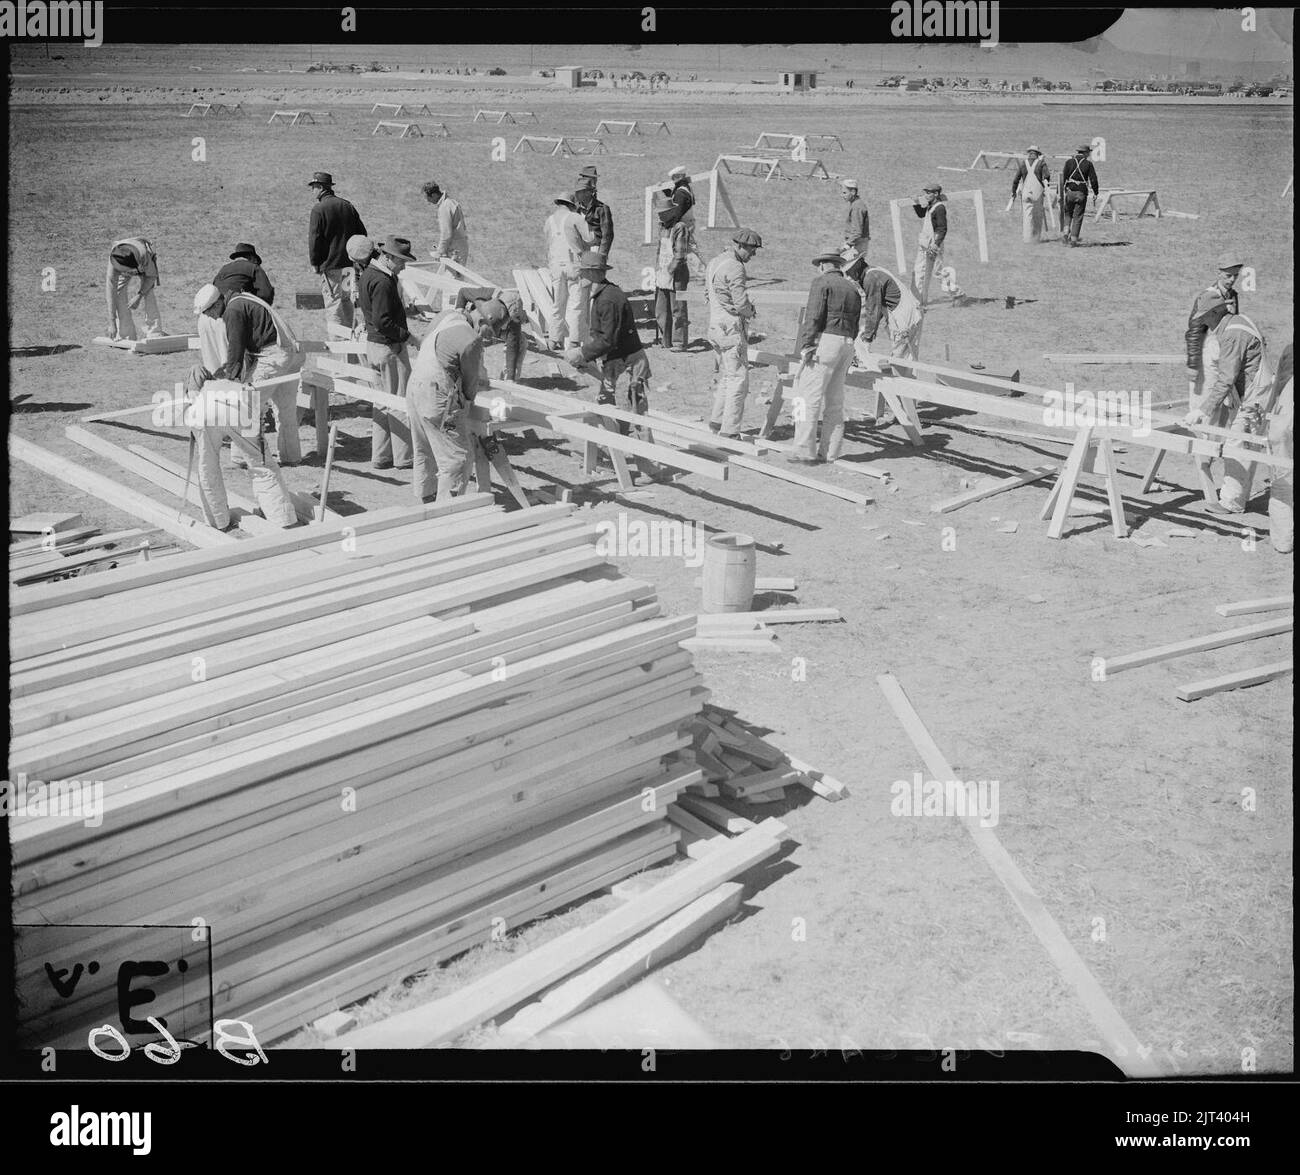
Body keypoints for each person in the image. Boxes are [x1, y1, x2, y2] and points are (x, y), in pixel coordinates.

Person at [185, 283, 300, 530]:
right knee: (261, 465)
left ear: (217, 304)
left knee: (207, 467)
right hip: (237, 407)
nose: (210, 317)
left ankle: (217, 521)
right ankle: (282, 519)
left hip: (203, 414)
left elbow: (235, 354)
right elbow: (235, 359)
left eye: (209, 313)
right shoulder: (238, 306)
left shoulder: (233, 312)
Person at [408, 297, 509, 501]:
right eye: (490, 334)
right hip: (436, 393)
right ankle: (446, 513)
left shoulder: (447, 316)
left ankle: (426, 500)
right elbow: (470, 386)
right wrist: (468, 402)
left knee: (424, 449)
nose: (489, 340)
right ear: (482, 322)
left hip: (415, 386)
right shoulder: (471, 340)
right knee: (457, 459)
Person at [562, 250, 654, 460]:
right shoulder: (602, 295)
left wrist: (582, 354)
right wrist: (589, 356)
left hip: (628, 364)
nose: (580, 277)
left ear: (593, 274)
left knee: (634, 414)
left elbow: (608, 340)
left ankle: (648, 465)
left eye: (583, 273)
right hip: (616, 363)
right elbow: (602, 336)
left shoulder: (608, 300)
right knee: (607, 407)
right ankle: (608, 455)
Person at [1185, 309, 1274, 514]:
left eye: (1205, 317)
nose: (1203, 321)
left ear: (1214, 314)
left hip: (1254, 397)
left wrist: (1202, 410)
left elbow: (1226, 378)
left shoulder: (1232, 334)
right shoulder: (1236, 322)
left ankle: (1231, 502)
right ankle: (1242, 497)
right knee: (1250, 444)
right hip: (1252, 392)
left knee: (1237, 445)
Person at [789, 250, 861, 464]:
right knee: (835, 401)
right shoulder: (852, 288)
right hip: (847, 343)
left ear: (822, 266)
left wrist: (807, 344)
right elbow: (856, 323)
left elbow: (814, 315)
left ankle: (803, 450)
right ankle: (830, 452)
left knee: (805, 398)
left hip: (825, 342)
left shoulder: (821, 282)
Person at [843, 249, 922, 428]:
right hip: (906, 316)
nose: (848, 276)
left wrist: (867, 339)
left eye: (849, 271)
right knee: (906, 364)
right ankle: (907, 409)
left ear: (856, 267)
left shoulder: (871, 278)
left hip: (903, 320)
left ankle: (897, 412)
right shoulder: (873, 272)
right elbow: (875, 310)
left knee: (897, 366)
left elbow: (873, 310)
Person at [358, 237, 416, 471]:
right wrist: (407, 337)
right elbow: (384, 322)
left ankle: (381, 456)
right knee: (399, 403)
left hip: (374, 346)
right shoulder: (382, 282)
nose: (403, 266)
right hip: (388, 347)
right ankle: (404, 457)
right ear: (388, 257)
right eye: (401, 261)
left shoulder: (369, 275)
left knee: (382, 404)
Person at [704, 228, 762, 438]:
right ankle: (730, 430)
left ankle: (716, 421)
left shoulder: (714, 262)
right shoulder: (735, 267)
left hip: (715, 325)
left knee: (728, 377)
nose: (753, 255)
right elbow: (740, 302)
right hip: (730, 328)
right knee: (738, 379)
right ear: (739, 246)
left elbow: (707, 294)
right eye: (751, 250)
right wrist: (750, 310)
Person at [307, 170, 368, 328]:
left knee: (333, 304)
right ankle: (350, 341)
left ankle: (338, 345)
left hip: (331, 267)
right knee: (347, 301)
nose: (312, 190)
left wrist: (315, 263)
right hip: (348, 266)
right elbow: (362, 234)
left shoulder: (318, 209)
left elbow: (315, 239)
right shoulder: (347, 206)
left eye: (313, 186)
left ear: (320, 187)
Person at [1185, 255, 1243, 409]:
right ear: (1219, 273)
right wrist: (1193, 364)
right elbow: (1194, 332)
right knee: (1202, 403)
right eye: (1228, 275)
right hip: (1206, 357)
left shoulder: (1233, 295)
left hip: (1224, 356)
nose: (1232, 280)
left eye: (1235, 276)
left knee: (1222, 403)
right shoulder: (1207, 296)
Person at [653, 178, 695, 351]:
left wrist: (669, 271)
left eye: (663, 213)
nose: (660, 216)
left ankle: (679, 342)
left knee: (678, 309)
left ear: (671, 212)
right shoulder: (663, 228)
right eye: (659, 213)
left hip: (677, 274)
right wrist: (658, 271)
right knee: (661, 310)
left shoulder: (680, 227)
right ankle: (666, 339)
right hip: (663, 272)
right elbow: (659, 252)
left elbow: (679, 255)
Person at [543, 192, 589, 348]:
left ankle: (554, 339)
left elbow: (548, 243)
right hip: (573, 264)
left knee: (557, 303)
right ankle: (574, 341)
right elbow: (589, 238)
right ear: (572, 204)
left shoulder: (549, 220)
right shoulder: (576, 218)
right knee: (576, 304)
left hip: (555, 264)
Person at [574, 185, 614, 343]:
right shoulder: (576, 210)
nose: (577, 194)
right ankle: (582, 333)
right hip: (581, 252)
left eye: (580, 192)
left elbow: (607, 233)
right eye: (576, 192)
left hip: (595, 251)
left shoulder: (602, 209)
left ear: (589, 193)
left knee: (595, 291)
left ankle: (595, 332)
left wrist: (601, 256)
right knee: (581, 293)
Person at [105, 237, 163, 340]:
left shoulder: (144, 255)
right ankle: (126, 334)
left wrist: (139, 295)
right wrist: (111, 322)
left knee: (148, 291)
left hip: (144, 264)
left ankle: (154, 332)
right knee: (118, 293)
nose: (122, 273)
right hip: (131, 264)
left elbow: (151, 277)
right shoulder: (114, 258)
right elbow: (110, 291)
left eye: (124, 271)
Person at [1267, 343, 1294, 553]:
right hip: (1285, 424)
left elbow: (1276, 389)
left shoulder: (1290, 350)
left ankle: (1284, 540)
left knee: (1283, 482)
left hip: (1284, 427)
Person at [911, 182, 947, 304]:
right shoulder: (931, 205)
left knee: (938, 273)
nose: (925, 195)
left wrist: (936, 244)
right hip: (924, 244)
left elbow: (942, 228)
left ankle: (958, 294)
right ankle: (917, 300)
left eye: (928, 193)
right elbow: (921, 214)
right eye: (925, 192)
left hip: (933, 245)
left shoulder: (940, 208)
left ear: (936, 194)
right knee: (918, 271)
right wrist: (916, 203)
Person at [1058, 143, 1099, 246]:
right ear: (1085, 153)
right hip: (1081, 193)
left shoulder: (1069, 162)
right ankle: (1073, 240)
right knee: (1078, 217)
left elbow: (1063, 178)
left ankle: (1065, 234)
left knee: (1068, 214)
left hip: (1070, 192)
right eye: (1088, 152)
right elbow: (1093, 179)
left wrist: (1059, 192)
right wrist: (1095, 192)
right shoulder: (1088, 164)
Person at [1010, 146, 1051, 243]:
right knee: (1037, 216)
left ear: (1029, 153)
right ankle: (1036, 238)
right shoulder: (1041, 163)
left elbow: (1016, 180)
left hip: (1025, 193)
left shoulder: (1023, 163)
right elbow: (1047, 175)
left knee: (1027, 216)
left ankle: (1027, 239)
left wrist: (1013, 192)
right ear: (1038, 154)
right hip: (1037, 193)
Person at [423, 180, 470, 266]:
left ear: (433, 195)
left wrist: (440, 252)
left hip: (455, 251)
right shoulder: (452, 202)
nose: (428, 202)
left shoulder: (444, 207)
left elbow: (446, 234)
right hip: (460, 247)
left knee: (450, 278)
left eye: (428, 198)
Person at [345, 234, 378, 338]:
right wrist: (354, 290)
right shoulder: (358, 262)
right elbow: (356, 275)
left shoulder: (378, 263)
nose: (355, 262)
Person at [841, 179, 870, 256]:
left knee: (849, 267)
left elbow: (857, 232)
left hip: (856, 244)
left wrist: (847, 245)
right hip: (855, 242)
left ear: (853, 192)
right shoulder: (856, 204)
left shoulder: (857, 207)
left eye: (845, 193)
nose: (842, 195)